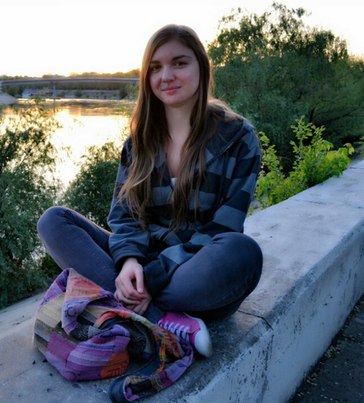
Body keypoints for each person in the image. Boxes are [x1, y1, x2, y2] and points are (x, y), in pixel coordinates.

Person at [37, 24, 263, 358]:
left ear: (202, 67)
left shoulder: (238, 138)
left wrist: (150, 276)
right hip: (141, 264)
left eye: (179, 63)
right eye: (155, 68)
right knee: (54, 221)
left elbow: (222, 228)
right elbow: (124, 214)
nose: (166, 76)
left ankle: (123, 304)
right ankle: (160, 320)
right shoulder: (139, 141)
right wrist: (130, 260)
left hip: (194, 278)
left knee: (242, 252)